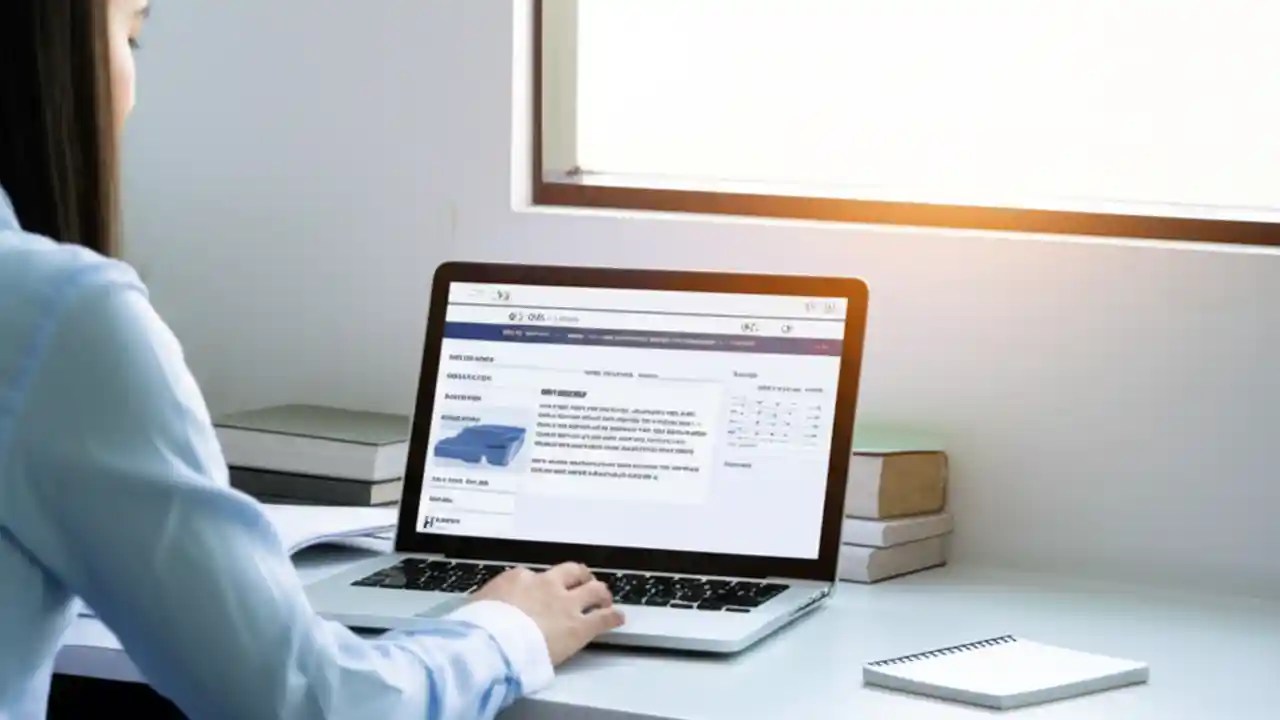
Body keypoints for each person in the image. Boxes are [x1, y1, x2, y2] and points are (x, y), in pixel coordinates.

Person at [0, 2, 625, 718]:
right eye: (131, 33)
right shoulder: (57, 315)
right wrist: (510, 630)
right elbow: (304, 702)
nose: (133, 84)